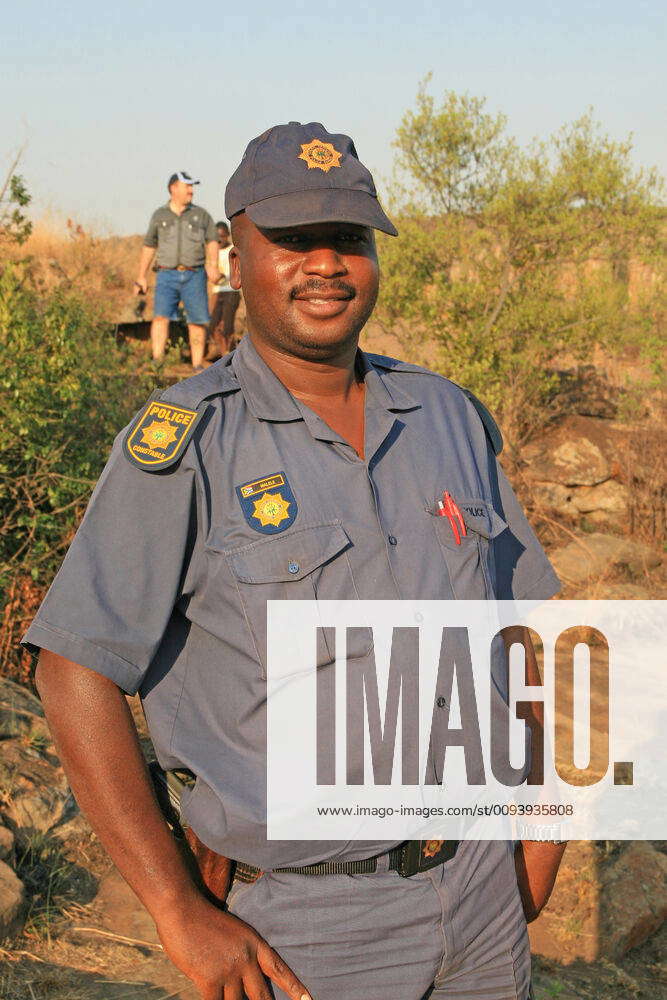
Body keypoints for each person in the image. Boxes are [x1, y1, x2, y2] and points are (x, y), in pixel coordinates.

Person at [24, 122, 566, 1000]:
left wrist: (541, 820)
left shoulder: (448, 418)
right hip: (303, 928)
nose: (325, 264)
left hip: (477, 893)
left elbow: (514, 628)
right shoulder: (183, 446)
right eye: (292, 240)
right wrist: (175, 908)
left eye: (347, 239)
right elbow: (71, 666)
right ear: (235, 258)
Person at [134, 170, 221, 372]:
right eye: (187, 186)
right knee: (160, 317)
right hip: (166, 274)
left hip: (195, 275)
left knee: (197, 320)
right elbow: (149, 246)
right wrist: (141, 276)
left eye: (192, 187)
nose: (191, 190)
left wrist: (213, 265)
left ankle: (197, 364)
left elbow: (213, 241)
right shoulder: (159, 215)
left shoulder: (201, 215)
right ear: (173, 188)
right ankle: (157, 361)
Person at [207, 220, 241, 358]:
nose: (220, 240)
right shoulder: (211, 252)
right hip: (216, 291)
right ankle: (222, 352)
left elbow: (238, 271)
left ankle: (229, 353)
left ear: (228, 235)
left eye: (222, 236)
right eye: (217, 237)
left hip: (231, 291)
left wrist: (222, 276)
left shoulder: (233, 250)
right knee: (213, 324)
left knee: (227, 325)